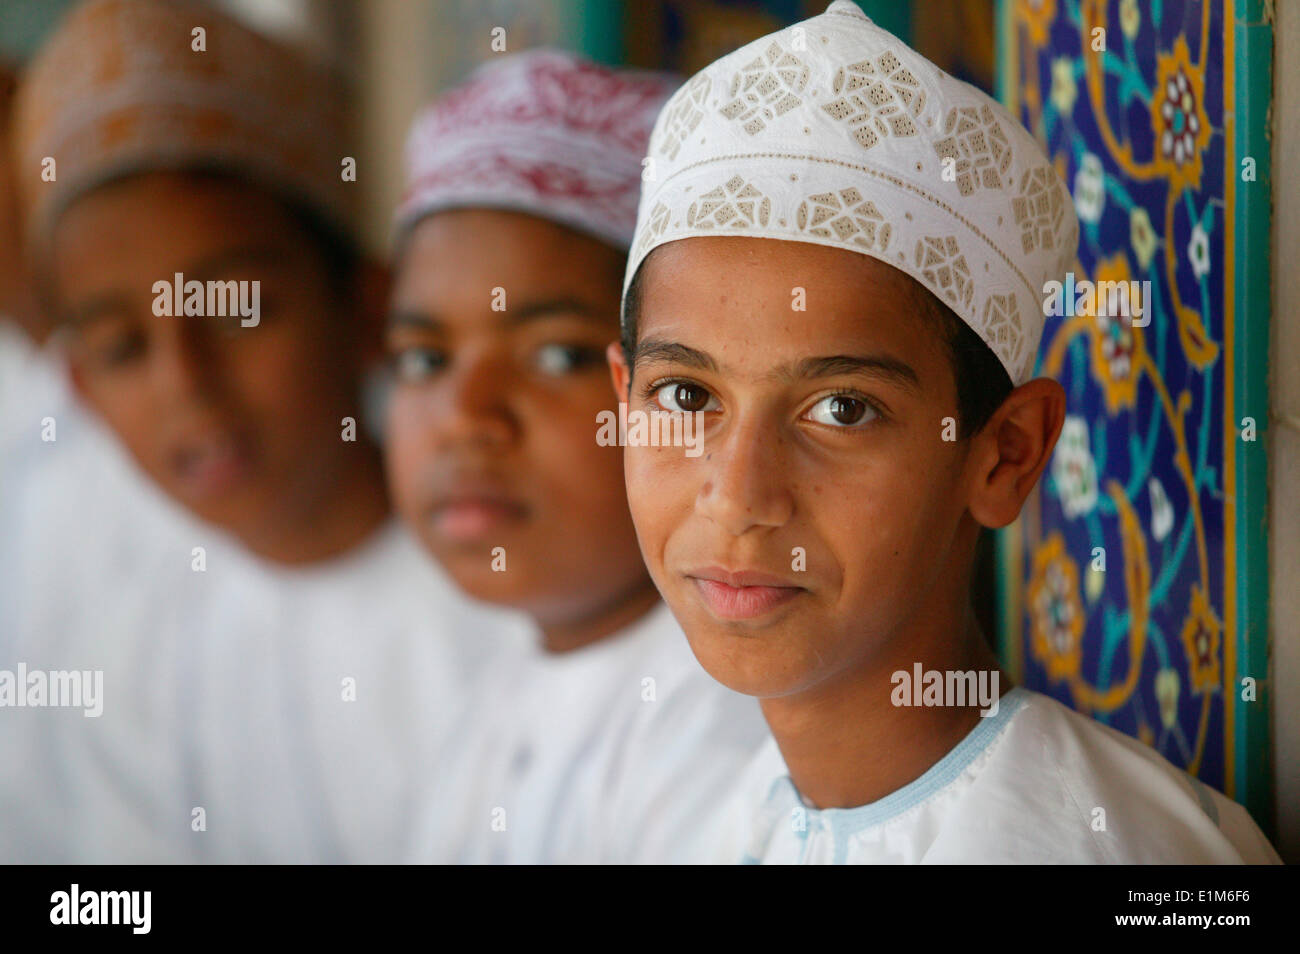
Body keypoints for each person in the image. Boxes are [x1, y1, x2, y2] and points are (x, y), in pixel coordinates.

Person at [611, 0, 1280, 863]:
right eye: (686, 396)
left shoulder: (1124, 853)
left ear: (1006, 455)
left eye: (842, 409)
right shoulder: (714, 821)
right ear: (623, 398)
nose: (739, 496)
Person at [2, 0, 522, 863]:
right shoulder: (134, 649)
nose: (187, 385)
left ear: (366, 307)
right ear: (83, 391)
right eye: (125, 346)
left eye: (237, 311)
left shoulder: (519, 605)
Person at [387, 49, 768, 863]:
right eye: (424, 358)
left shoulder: (724, 727)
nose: (465, 417)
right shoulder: (498, 699)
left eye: (555, 357)